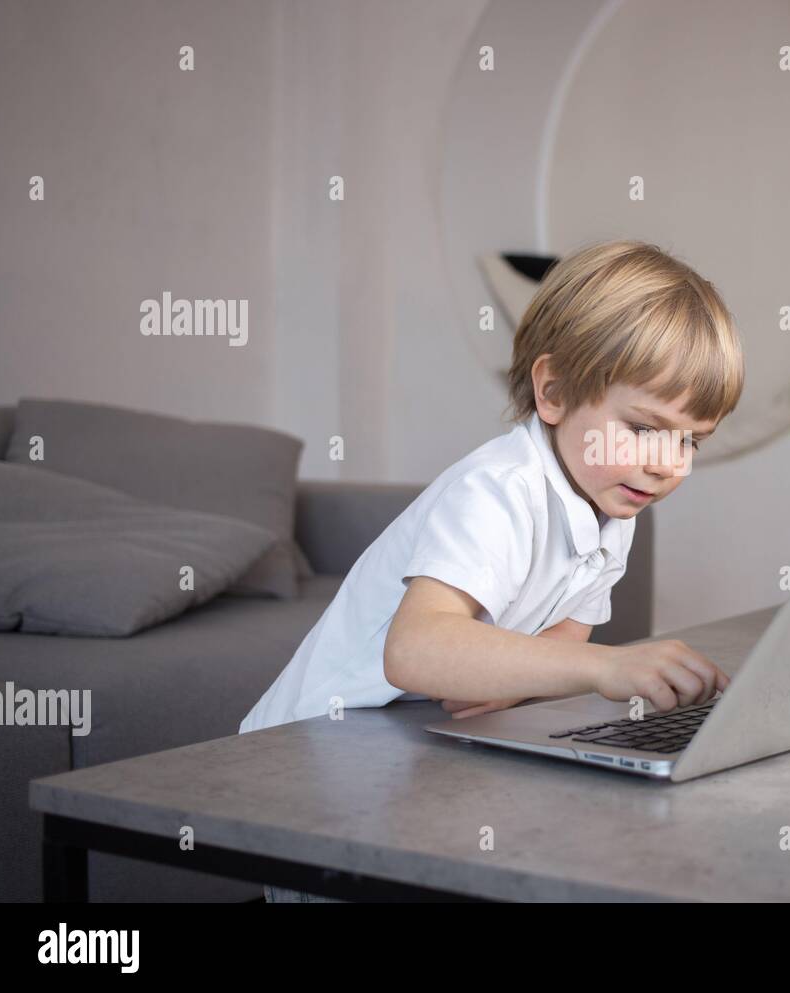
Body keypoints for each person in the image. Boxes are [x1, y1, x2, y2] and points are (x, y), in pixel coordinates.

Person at [243, 239, 745, 901]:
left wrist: (511, 678)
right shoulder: (499, 489)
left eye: (689, 440)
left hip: (408, 745)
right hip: (302, 762)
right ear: (555, 391)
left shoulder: (612, 503)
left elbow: (565, 630)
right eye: (645, 427)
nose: (668, 463)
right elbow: (416, 648)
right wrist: (609, 668)